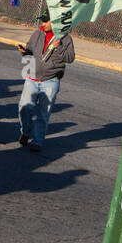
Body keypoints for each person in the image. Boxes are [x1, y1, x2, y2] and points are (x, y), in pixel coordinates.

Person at [16, 12, 74, 153]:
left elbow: (70, 58)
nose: (43, 24)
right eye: (42, 21)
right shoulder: (37, 34)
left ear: (54, 22)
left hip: (50, 80)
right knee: (24, 108)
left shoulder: (64, 38)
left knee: (43, 113)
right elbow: (30, 50)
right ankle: (25, 132)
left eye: (46, 22)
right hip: (33, 77)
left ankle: (37, 141)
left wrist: (58, 46)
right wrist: (25, 51)